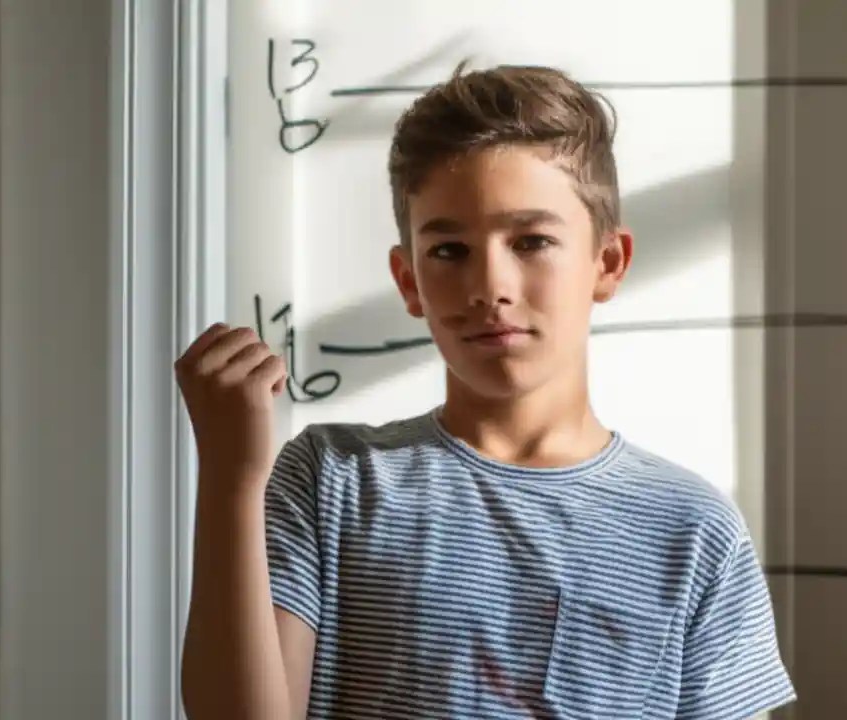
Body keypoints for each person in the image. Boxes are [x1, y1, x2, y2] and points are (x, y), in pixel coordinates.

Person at [177, 64, 795, 720]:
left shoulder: (693, 531)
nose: (490, 286)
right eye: (449, 251)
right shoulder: (332, 481)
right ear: (408, 278)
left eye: (532, 241)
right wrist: (230, 476)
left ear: (607, 263)